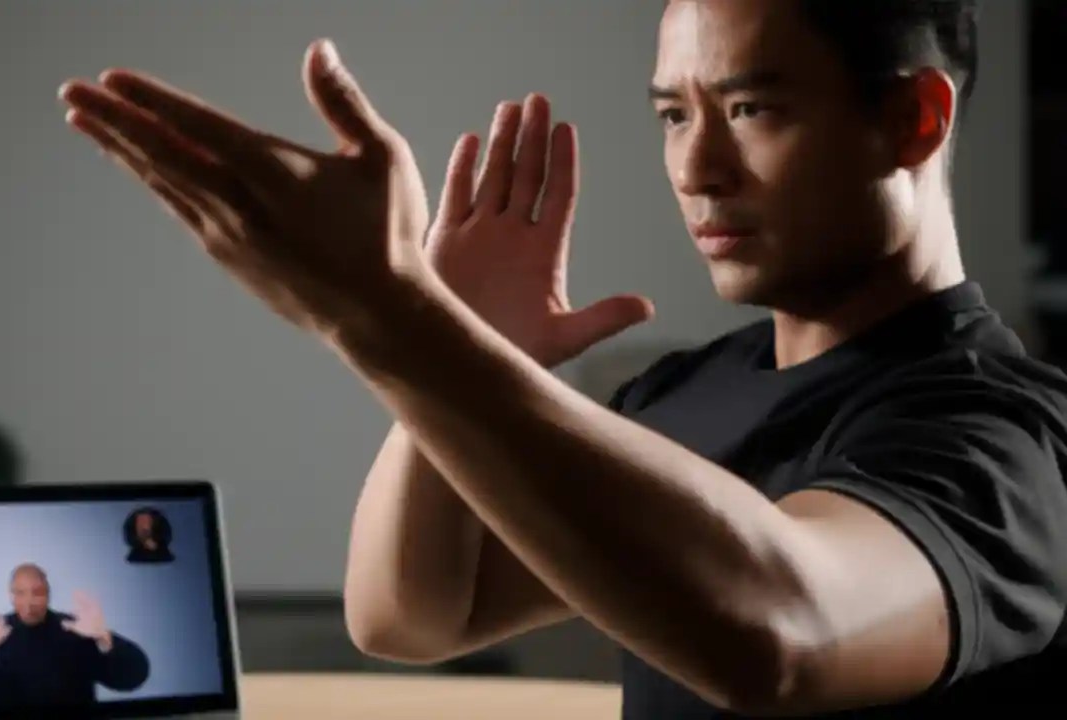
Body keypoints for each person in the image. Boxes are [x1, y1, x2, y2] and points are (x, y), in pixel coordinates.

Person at [56, 0, 1067, 714]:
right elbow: (409, 614)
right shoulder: (683, 392)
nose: (695, 167)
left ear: (911, 119)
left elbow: (781, 634)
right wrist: (461, 331)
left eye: (753, 109)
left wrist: (392, 317)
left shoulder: (1001, 435)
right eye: (673, 113)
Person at [0, 563, 149, 710]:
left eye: (37, 592)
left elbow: (132, 677)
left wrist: (104, 635)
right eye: (20, 593)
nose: (29, 601)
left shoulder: (75, 630)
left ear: (48, 594)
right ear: (11, 596)